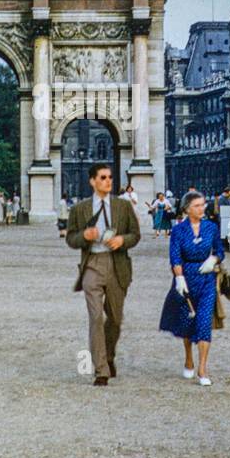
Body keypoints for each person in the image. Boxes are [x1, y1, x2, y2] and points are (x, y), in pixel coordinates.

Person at [66, 163, 141, 386]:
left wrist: (122, 240)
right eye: (103, 177)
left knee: (115, 319)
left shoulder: (123, 206)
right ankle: (101, 369)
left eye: (110, 177)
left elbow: (135, 235)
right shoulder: (79, 209)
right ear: (92, 181)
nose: (108, 181)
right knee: (96, 317)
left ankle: (108, 356)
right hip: (92, 264)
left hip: (117, 263)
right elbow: (71, 238)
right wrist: (84, 236)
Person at [159, 190, 225, 385]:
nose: (202, 208)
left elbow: (220, 249)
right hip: (186, 277)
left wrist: (214, 258)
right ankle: (188, 357)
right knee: (188, 322)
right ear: (187, 209)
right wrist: (179, 278)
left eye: (203, 204)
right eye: (197, 205)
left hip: (206, 279)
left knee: (204, 322)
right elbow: (175, 256)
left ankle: (203, 369)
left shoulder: (211, 227)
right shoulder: (179, 231)